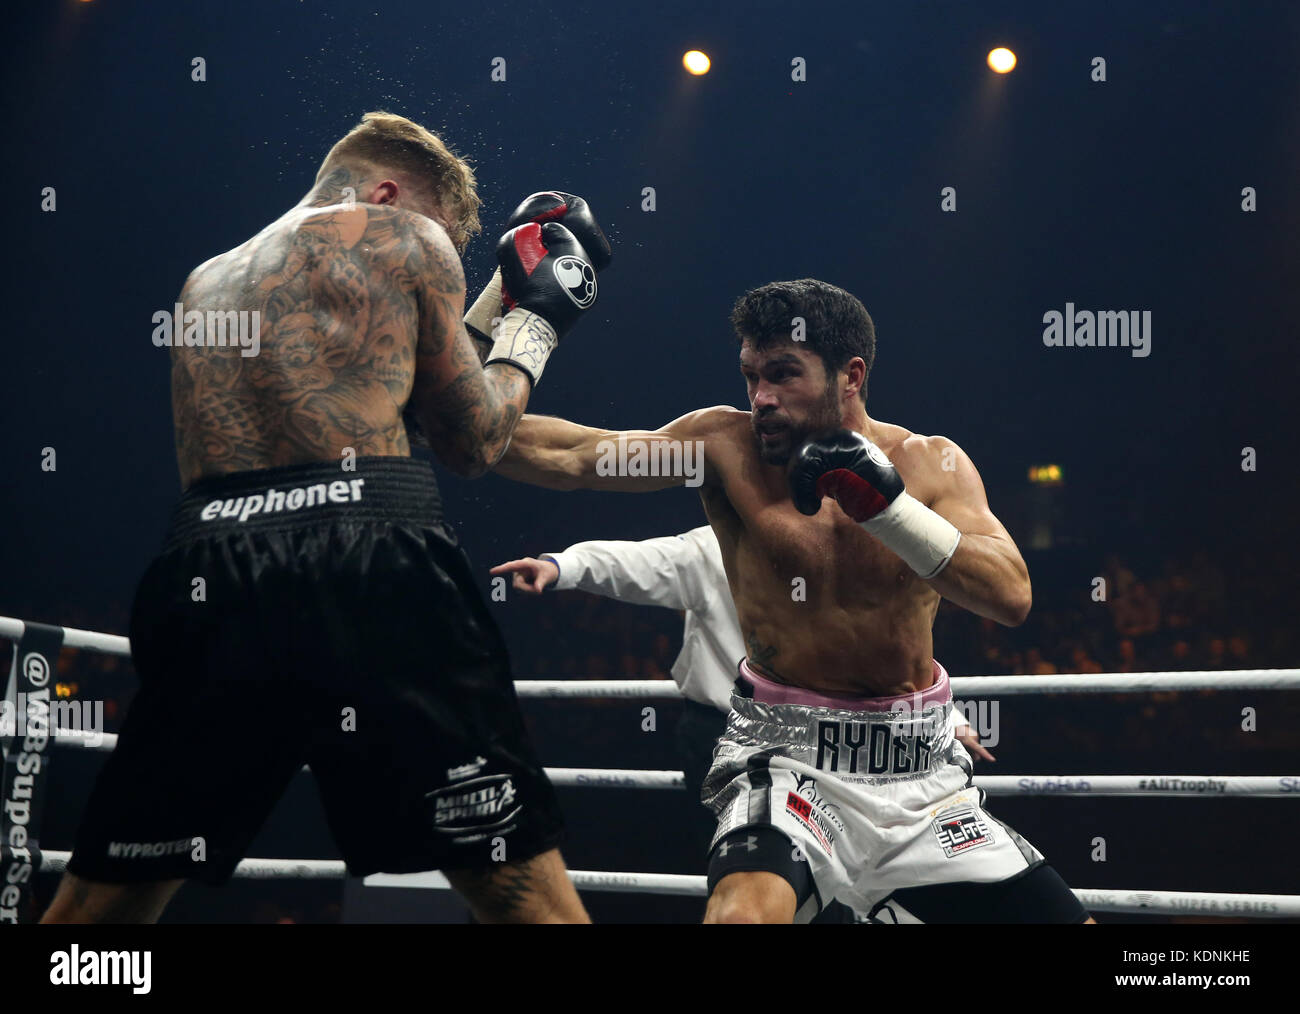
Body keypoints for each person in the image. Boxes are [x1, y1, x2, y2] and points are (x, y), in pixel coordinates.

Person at [42, 112, 609, 924]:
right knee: (520, 891)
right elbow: (474, 439)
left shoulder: (205, 281)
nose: (439, 249)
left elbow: (378, 390)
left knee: (103, 904)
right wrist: (537, 320)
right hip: (369, 563)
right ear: (387, 191)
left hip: (210, 570)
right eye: (440, 231)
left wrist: (489, 297)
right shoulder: (408, 237)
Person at [494, 278, 1092, 923]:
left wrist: (887, 510)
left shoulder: (930, 465)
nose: (762, 400)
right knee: (742, 918)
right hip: (788, 761)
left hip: (924, 779)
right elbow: (573, 456)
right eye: (751, 376)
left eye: (783, 375)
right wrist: (452, 395)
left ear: (850, 375)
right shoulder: (722, 449)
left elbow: (1011, 595)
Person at [493, 527, 995, 922]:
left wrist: (944, 720)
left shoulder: (843, 559)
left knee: (828, 884)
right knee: (756, 886)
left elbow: (868, 664)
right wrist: (562, 566)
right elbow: (637, 561)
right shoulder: (715, 549)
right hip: (722, 738)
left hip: (821, 742)